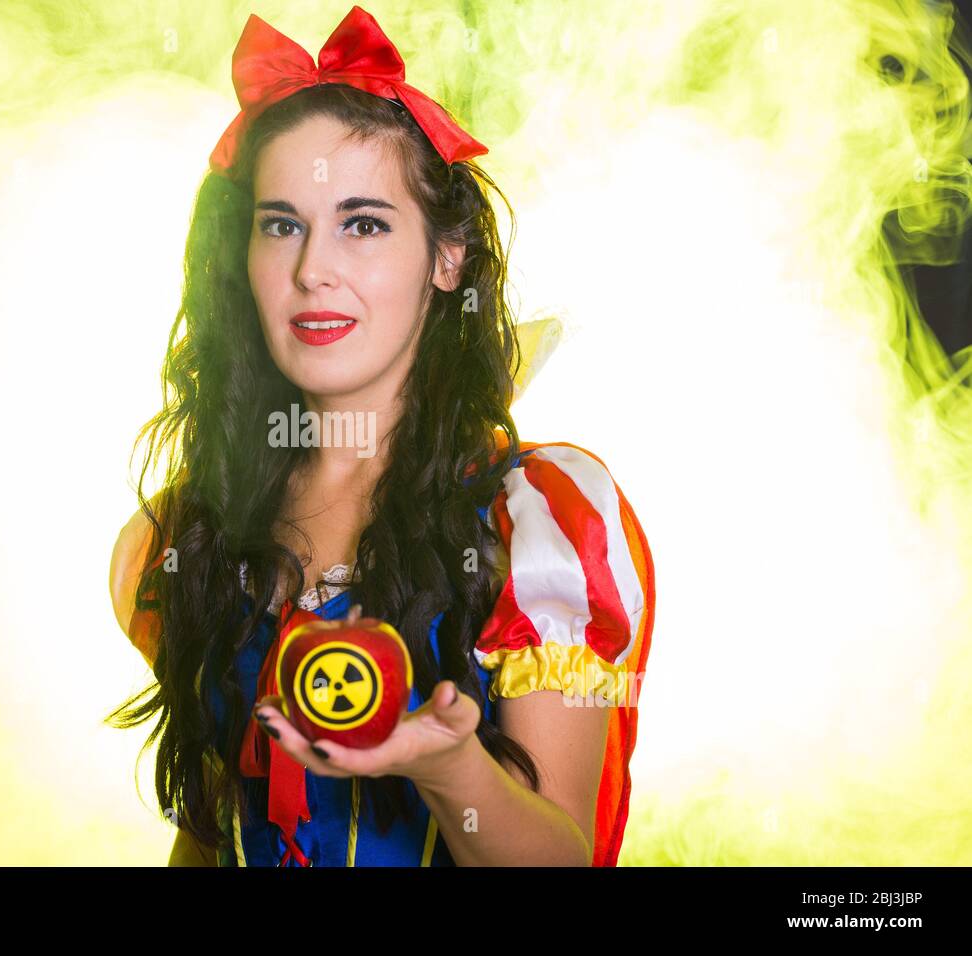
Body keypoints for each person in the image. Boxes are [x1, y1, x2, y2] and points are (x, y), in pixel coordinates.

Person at [107, 5, 655, 867]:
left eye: (363, 223)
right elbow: (208, 840)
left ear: (447, 258)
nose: (311, 269)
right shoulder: (189, 536)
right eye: (281, 223)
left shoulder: (538, 525)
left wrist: (449, 767)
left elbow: (562, 858)